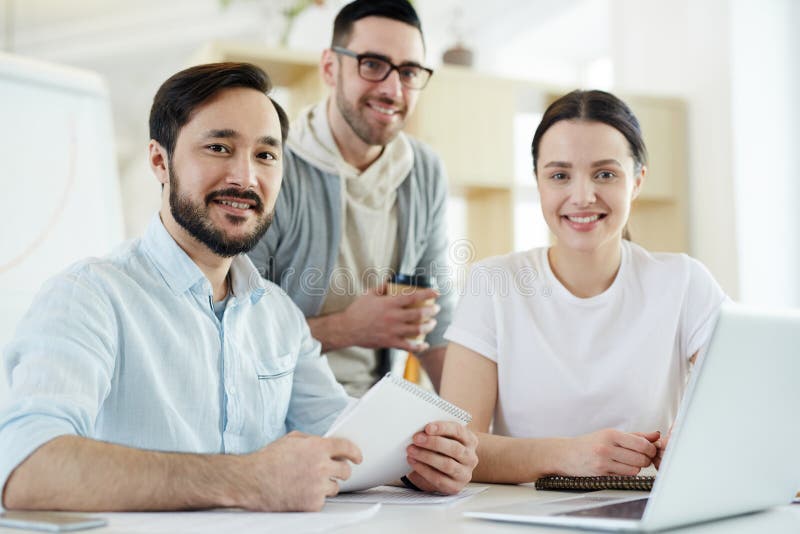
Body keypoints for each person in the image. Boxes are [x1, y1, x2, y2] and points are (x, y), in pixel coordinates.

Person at [0, 62, 477, 512]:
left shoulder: (278, 315)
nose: (245, 177)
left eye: (265, 155)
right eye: (219, 147)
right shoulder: (88, 297)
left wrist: (418, 462)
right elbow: (26, 469)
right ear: (159, 161)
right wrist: (247, 479)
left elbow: (346, 437)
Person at [439, 89, 728, 483]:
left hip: (646, 511)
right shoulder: (494, 284)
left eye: (605, 174)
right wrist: (568, 455)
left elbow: (747, 400)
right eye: (559, 176)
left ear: (638, 181)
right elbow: (454, 448)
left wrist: (700, 437)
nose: (582, 196)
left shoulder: (683, 282)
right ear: (538, 184)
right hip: (523, 515)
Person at [248, 0, 454, 397]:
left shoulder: (424, 171)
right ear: (330, 67)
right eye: (372, 65)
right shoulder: (271, 164)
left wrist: (474, 430)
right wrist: (349, 329)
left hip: (375, 404)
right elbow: (236, 333)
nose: (393, 90)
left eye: (409, 72)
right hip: (279, 404)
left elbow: (438, 321)